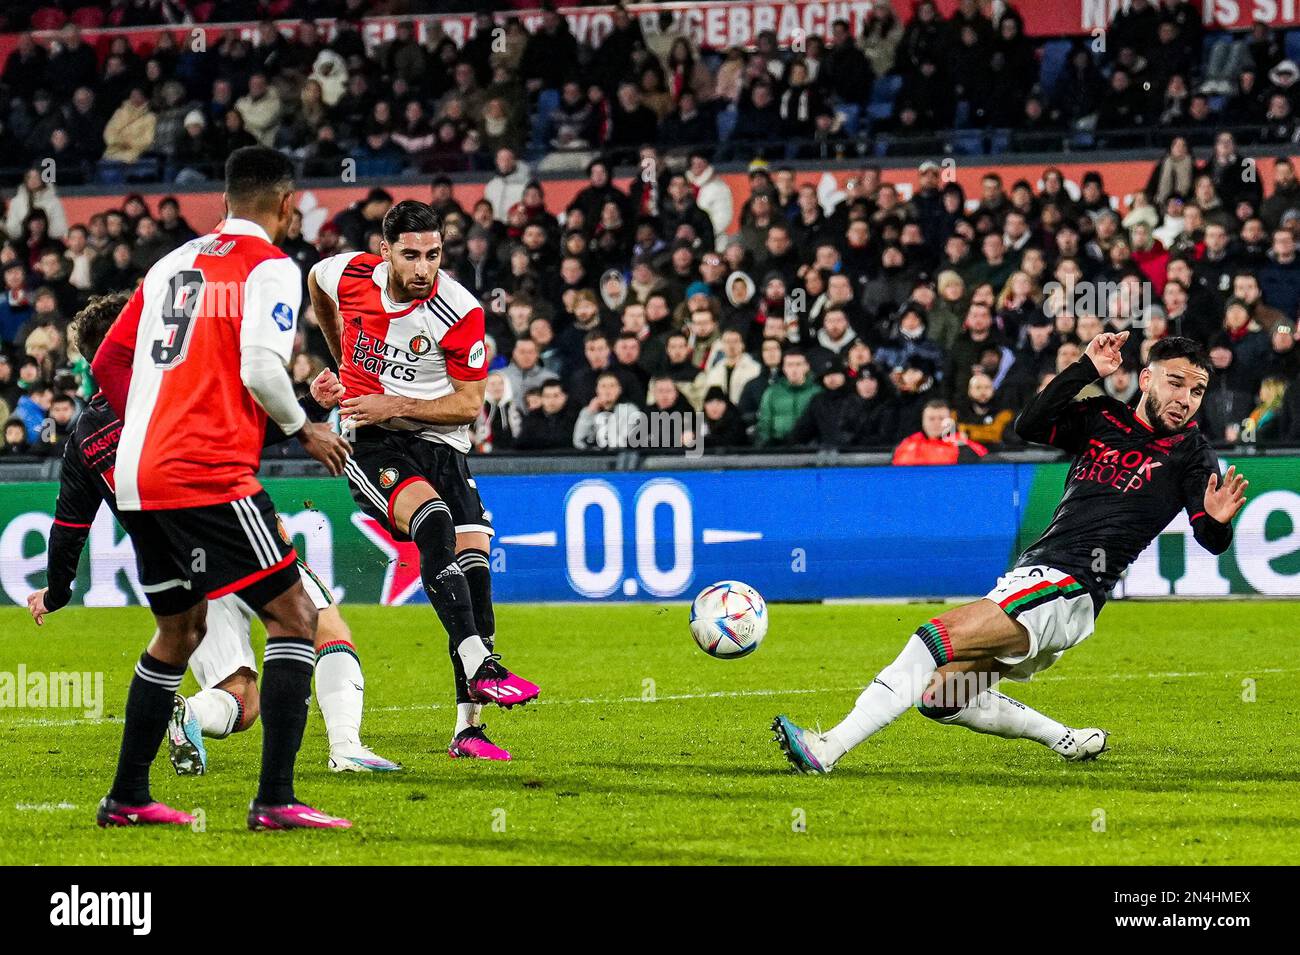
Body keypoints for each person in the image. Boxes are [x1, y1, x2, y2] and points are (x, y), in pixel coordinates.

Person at [774, 335, 1249, 773]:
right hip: (1035, 577)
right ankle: (1068, 738)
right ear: (1147, 379)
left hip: (1070, 586)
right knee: (943, 696)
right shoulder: (1103, 416)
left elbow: (1208, 537)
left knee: (932, 638)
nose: (1185, 399)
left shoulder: (1191, 451)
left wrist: (1219, 522)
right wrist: (1084, 367)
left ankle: (827, 747)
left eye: (1197, 391)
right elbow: (1030, 424)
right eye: (1176, 382)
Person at [86, 147, 354, 829]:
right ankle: (276, 800)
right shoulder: (270, 266)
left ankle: (127, 797)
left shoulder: (171, 263)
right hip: (203, 470)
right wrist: (305, 429)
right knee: (295, 616)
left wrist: (150, 418)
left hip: (138, 473)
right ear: (288, 204)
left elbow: (108, 358)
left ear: (226, 200)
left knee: (179, 630)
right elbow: (263, 367)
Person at [28, 292, 399, 777]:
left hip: (178, 572)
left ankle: (190, 714)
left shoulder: (84, 437)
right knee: (319, 623)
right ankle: (341, 748)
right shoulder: (173, 391)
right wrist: (308, 408)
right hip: (233, 534)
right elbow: (245, 430)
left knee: (240, 698)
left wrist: (57, 593)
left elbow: (69, 527)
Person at [309, 200, 539, 762]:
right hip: (373, 440)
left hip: (442, 444)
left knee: (477, 579)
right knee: (433, 521)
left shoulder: (459, 310)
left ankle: (469, 731)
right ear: (383, 251)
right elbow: (317, 284)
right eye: (410, 255)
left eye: (433, 255)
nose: (423, 268)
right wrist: (342, 365)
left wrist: (398, 401)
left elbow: (467, 404)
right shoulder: (347, 273)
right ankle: (475, 660)